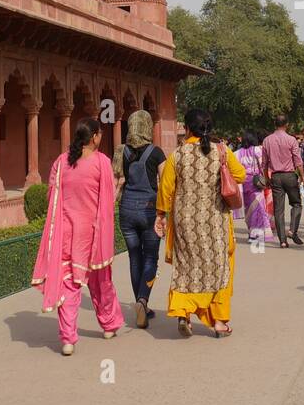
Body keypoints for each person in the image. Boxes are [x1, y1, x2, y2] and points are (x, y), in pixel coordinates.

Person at [32, 117, 125, 355]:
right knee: (101, 280)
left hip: (66, 232)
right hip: (91, 233)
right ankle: (109, 325)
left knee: (69, 284)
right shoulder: (102, 162)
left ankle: (68, 339)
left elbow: (51, 197)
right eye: (100, 134)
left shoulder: (61, 162)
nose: (101, 138)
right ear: (94, 136)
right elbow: (107, 200)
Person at [154, 108, 247, 337]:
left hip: (185, 220)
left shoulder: (177, 154)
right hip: (215, 220)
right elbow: (241, 175)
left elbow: (166, 188)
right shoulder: (220, 151)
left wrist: (160, 215)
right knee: (219, 268)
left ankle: (183, 312)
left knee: (186, 267)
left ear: (187, 128)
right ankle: (219, 322)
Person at [113, 109, 165, 329]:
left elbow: (117, 181)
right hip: (149, 210)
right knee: (151, 258)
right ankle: (143, 300)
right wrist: (165, 213)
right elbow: (164, 183)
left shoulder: (120, 151)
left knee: (135, 257)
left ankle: (140, 303)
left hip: (126, 210)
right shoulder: (156, 153)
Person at [262, 114, 304, 248]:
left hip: (275, 176)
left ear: (274, 124)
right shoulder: (291, 140)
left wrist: (267, 178)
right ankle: (292, 230)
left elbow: (264, 163)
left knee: (278, 209)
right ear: (287, 124)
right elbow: (298, 161)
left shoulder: (267, 140)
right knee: (297, 204)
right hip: (289, 175)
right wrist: (303, 177)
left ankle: (282, 240)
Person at [234, 130, 270, 246]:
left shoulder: (237, 153)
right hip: (255, 183)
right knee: (257, 208)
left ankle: (251, 233)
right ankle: (256, 235)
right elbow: (262, 165)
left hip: (243, 183)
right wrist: (266, 178)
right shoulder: (257, 150)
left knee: (248, 209)